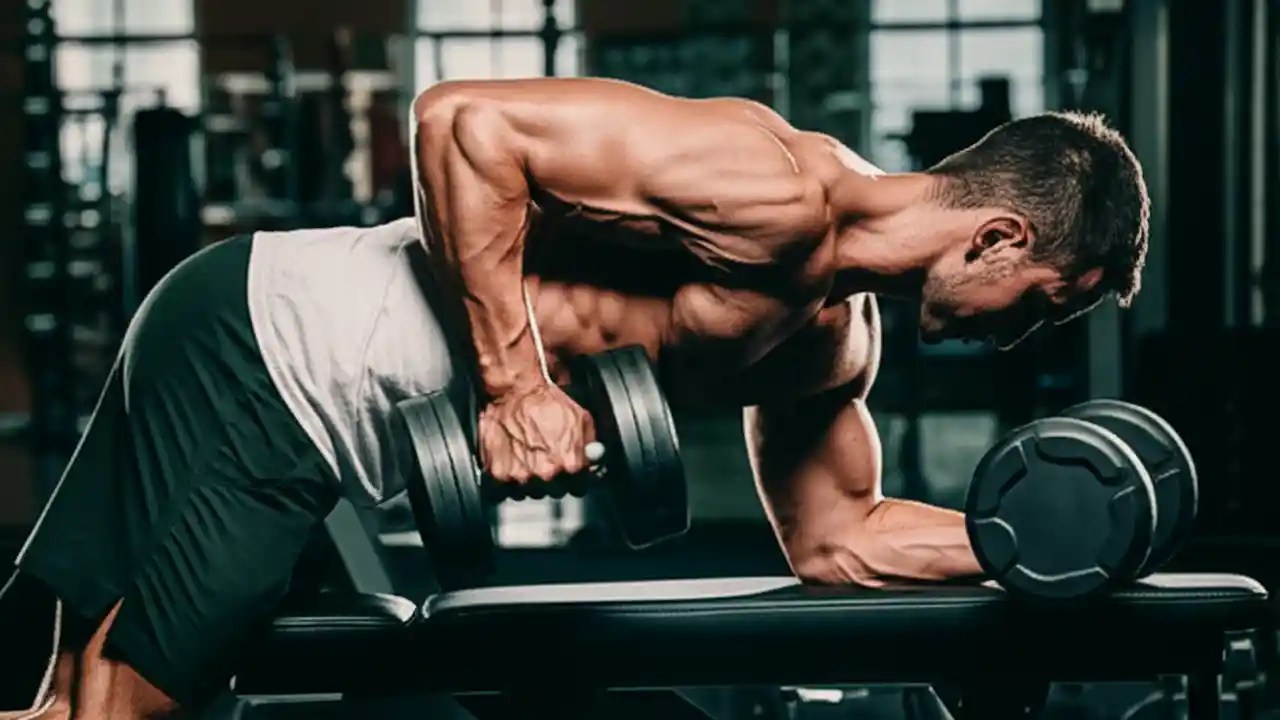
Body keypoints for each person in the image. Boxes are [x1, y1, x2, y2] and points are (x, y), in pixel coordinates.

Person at [0, 76, 1148, 719]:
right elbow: (463, 122)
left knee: (70, 704)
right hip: (274, 349)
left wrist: (1042, 547)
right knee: (126, 712)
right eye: (1043, 302)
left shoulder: (831, 345)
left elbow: (840, 546)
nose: (1023, 338)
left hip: (289, 374)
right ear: (997, 237)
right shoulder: (772, 184)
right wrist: (513, 386)